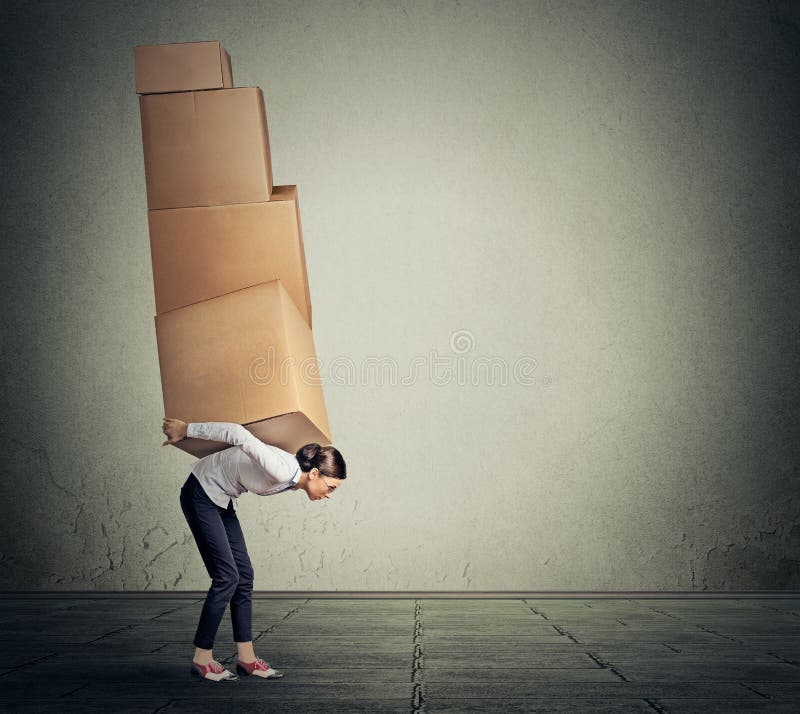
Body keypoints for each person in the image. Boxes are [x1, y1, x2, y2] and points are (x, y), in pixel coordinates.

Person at [161, 417, 347, 682]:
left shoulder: (293, 477)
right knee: (227, 578)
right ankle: (202, 659)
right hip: (200, 494)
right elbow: (238, 433)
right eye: (330, 487)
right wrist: (185, 430)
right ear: (315, 473)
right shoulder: (284, 470)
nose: (329, 494)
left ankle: (247, 659)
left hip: (221, 498)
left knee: (244, 577)